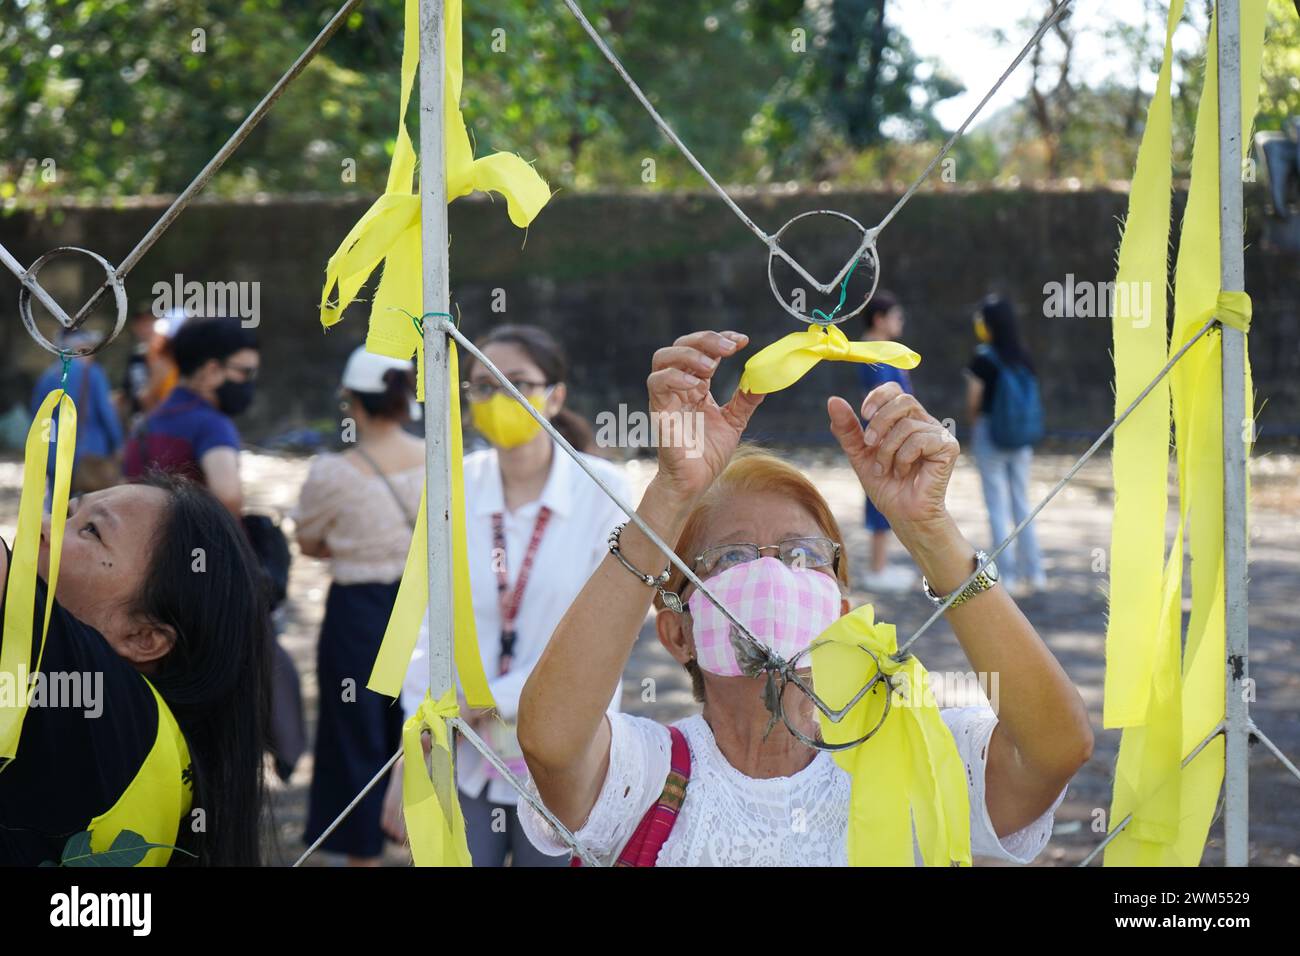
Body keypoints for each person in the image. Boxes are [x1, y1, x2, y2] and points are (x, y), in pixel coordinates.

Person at [513, 329, 1093, 866]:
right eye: (732, 558)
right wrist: (670, 493)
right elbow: (551, 743)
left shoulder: (915, 755)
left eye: (802, 555)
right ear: (677, 631)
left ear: (838, 609)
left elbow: (1055, 748)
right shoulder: (647, 774)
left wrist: (932, 532)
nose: (772, 576)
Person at [388, 324, 629, 867]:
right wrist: (424, 726)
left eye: (515, 381)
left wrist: (487, 699)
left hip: (568, 750)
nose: (499, 397)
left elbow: (602, 635)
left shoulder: (604, 491)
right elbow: (427, 618)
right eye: (483, 385)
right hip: (464, 750)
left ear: (556, 394)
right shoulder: (452, 483)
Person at [0, 474, 270, 865]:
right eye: (70, 511)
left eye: (91, 530)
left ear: (145, 638)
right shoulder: (159, 750)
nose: (43, 526)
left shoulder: (112, 714)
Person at [294, 346, 423, 867]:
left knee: (355, 731)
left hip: (356, 611)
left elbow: (307, 539)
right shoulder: (441, 459)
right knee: (422, 726)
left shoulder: (332, 473)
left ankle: (362, 857)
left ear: (353, 401)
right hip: (421, 608)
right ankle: (425, 843)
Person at [122, 317, 259, 517]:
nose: (249, 382)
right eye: (245, 372)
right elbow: (228, 496)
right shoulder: (212, 424)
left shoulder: (148, 421)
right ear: (212, 370)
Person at [965, 296, 1047, 594]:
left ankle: (1008, 576)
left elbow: (974, 399)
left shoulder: (983, 358)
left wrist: (974, 426)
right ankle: (1035, 572)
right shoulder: (1023, 355)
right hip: (1021, 437)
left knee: (997, 507)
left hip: (991, 432)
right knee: (1022, 504)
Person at [856, 290, 917, 593]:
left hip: (889, 435)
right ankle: (877, 569)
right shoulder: (875, 352)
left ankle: (881, 565)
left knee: (886, 499)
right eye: (896, 316)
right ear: (880, 319)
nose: (900, 321)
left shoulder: (882, 350)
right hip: (885, 437)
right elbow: (888, 398)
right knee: (882, 500)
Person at [30, 328, 124, 497]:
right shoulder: (94, 373)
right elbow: (106, 412)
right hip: (88, 450)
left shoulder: (50, 374)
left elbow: (38, 415)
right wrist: (117, 443)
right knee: (83, 505)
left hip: (53, 450)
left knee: (56, 502)